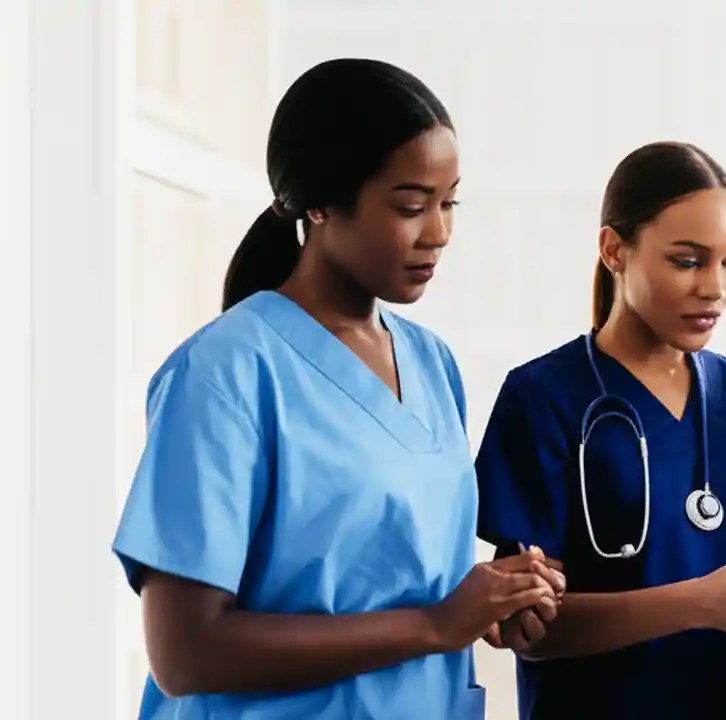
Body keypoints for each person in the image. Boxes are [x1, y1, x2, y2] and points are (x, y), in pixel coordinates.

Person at [111, 58, 562, 720]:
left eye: (448, 202)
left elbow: (400, 578)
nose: (437, 233)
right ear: (320, 204)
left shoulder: (431, 364)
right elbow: (185, 653)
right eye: (410, 206)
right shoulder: (223, 374)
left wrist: (497, 605)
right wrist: (437, 624)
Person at [473, 141, 726, 719]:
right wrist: (701, 604)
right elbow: (531, 629)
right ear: (614, 249)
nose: (715, 287)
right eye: (688, 260)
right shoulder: (543, 397)